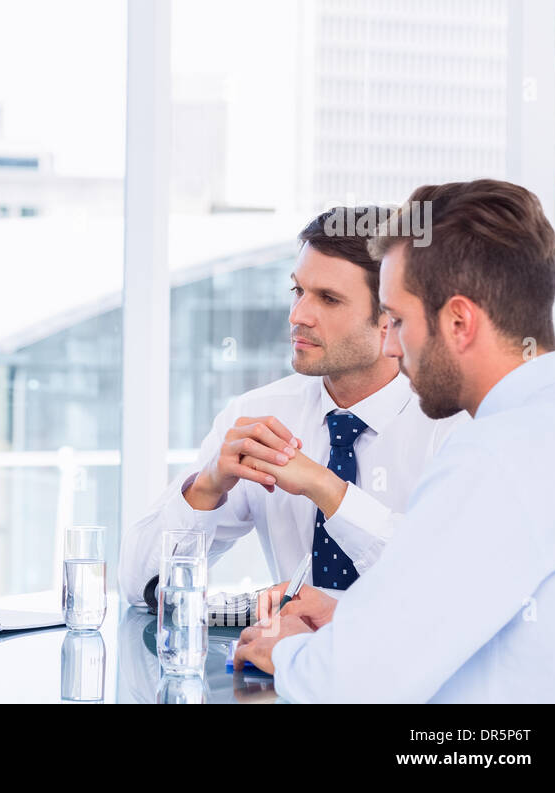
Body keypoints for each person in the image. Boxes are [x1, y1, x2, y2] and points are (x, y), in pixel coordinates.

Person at [234, 179, 555, 703]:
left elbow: (353, 684)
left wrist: (284, 649)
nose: (390, 347)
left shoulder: (492, 455)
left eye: (396, 321)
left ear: (460, 321)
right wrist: (354, 619)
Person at [119, 207, 466, 607]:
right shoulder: (260, 415)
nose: (297, 316)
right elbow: (139, 588)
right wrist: (206, 487)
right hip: (285, 667)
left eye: (329, 299)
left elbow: (447, 589)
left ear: (391, 316)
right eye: (298, 291)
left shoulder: (455, 425)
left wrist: (326, 489)